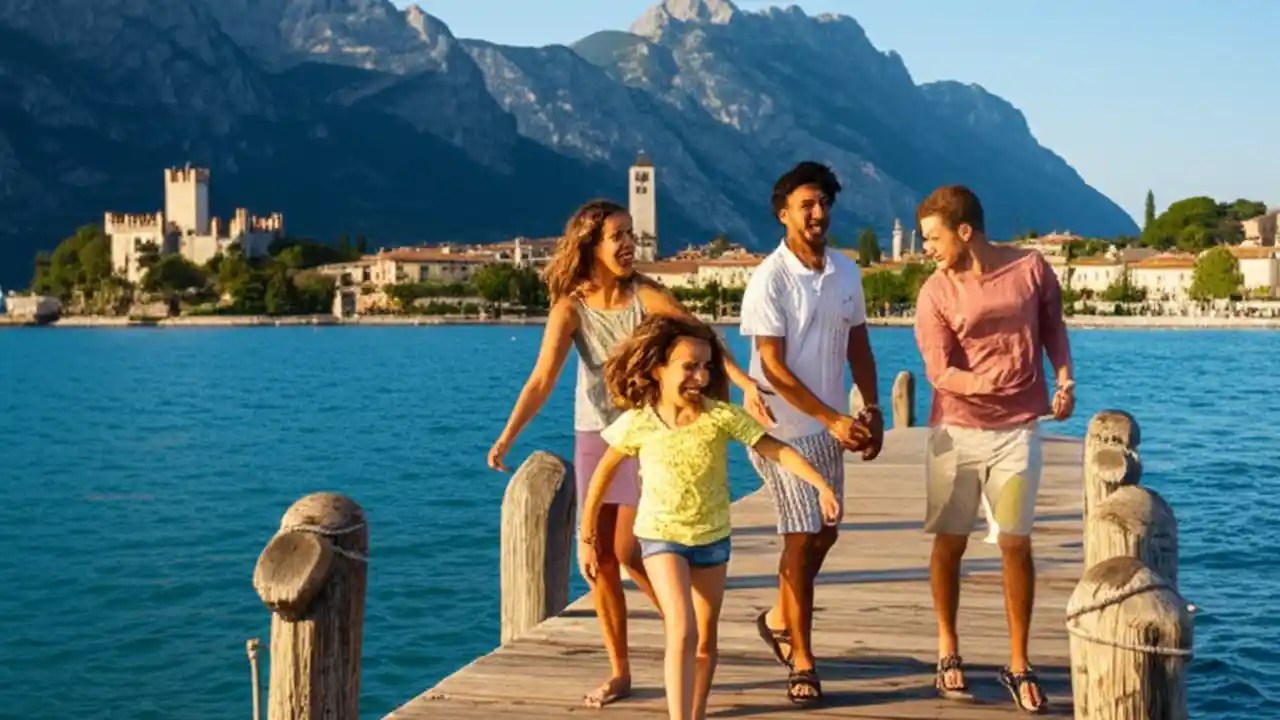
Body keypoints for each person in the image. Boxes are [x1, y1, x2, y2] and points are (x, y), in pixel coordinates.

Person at [486, 199, 772, 708]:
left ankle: (680, 631)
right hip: (595, 433)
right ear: (591, 244)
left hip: (649, 432)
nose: (627, 245)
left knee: (626, 548)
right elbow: (542, 378)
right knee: (597, 557)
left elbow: (701, 335)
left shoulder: (647, 294)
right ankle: (621, 670)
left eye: (631, 235)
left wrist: (745, 382)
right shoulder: (570, 307)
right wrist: (509, 435)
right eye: (617, 235)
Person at [579, 314, 840, 720]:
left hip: (712, 539)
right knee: (681, 627)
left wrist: (820, 484)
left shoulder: (720, 417)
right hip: (661, 536)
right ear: (657, 370)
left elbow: (777, 449)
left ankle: (695, 713)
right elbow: (602, 475)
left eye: (706, 366)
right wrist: (587, 535)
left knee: (704, 641)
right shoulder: (641, 422)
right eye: (689, 366)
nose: (700, 377)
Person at [913, 184, 1074, 714]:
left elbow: (1052, 325)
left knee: (1015, 543)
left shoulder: (1030, 269)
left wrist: (1064, 380)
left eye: (933, 238)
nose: (926, 249)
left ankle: (1019, 662)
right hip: (954, 433)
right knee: (950, 543)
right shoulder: (935, 292)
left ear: (965, 231)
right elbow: (939, 373)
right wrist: (991, 384)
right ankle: (947, 648)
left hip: (1017, 432)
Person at [739, 161, 883, 705]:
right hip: (777, 430)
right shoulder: (769, 279)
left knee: (825, 533)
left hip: (830, 426)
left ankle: (777, 617)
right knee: (800, 540)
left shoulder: (846, 272)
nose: (818, 213)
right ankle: (801, 658)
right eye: (806, 205)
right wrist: (830, 417)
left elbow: (859, 345)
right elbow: (771, 367)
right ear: (784, 214)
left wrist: (871, 410)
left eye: (824, 203)